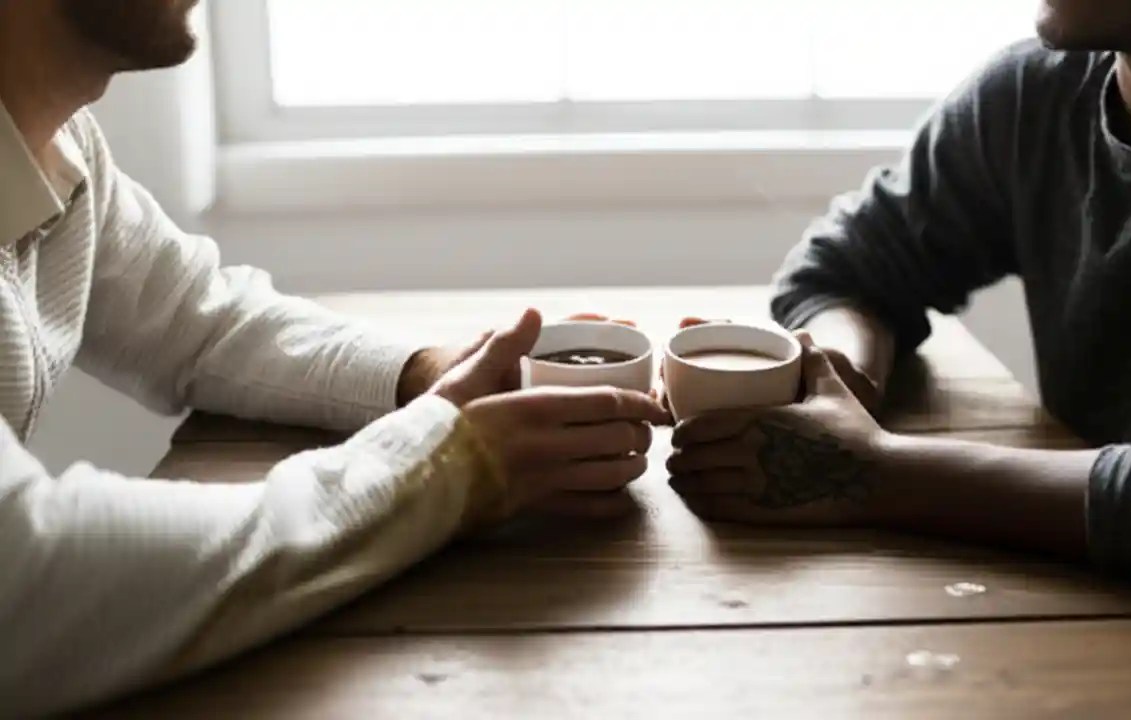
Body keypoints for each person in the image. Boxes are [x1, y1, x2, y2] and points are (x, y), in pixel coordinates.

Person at [0, 1, 665, 715]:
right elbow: (28, 569)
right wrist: (445, 467)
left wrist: (429, 374)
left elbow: (202, 318)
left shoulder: (61, 145)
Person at [670, 0, 1131, 604]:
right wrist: (836, 378)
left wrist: (879, 473)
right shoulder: (1033, 99)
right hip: (1113, 607)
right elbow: (844, 271)